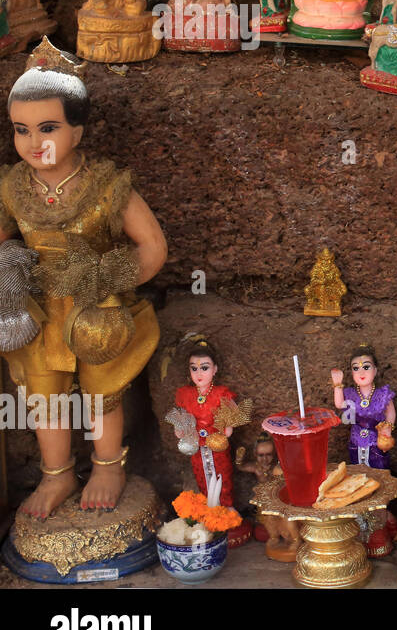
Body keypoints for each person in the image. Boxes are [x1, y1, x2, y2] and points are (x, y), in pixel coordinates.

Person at [0, 41, 167, 518]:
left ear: (77, 130)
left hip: (96, 309)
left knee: (100, 390)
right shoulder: (12, 187)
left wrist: (102, 275)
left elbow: (152, 248)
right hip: (37, 308)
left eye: (49, 128)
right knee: (43, 394)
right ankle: (57, 475)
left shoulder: (107, 186)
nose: (36, 143)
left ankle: (107, 465)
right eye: (22, 130)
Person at [172, 339, 237, 507]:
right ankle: (209, 508)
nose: (198, 373)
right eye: (194, 368)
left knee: (222, 475)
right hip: (196, 446)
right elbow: (180, 418)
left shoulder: (221, 393)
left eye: (204, 368)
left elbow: (231, 421)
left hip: (216, 445)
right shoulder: (185, 394)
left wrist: (225, 429)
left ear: (215, 369)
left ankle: (225, 508)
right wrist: (181, 429)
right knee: (201, 475)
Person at [329, 345, 396, 469]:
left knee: (379, 467)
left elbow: (390, 413)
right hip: (356, 440)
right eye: (356, 368)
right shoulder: (351, 394)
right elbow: (339, 404)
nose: (361, 372)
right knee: (357, 468)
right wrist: (337, 384)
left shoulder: (383, 394)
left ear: (375, 370)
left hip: (376, 440)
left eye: (366, 367)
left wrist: (388, 428)